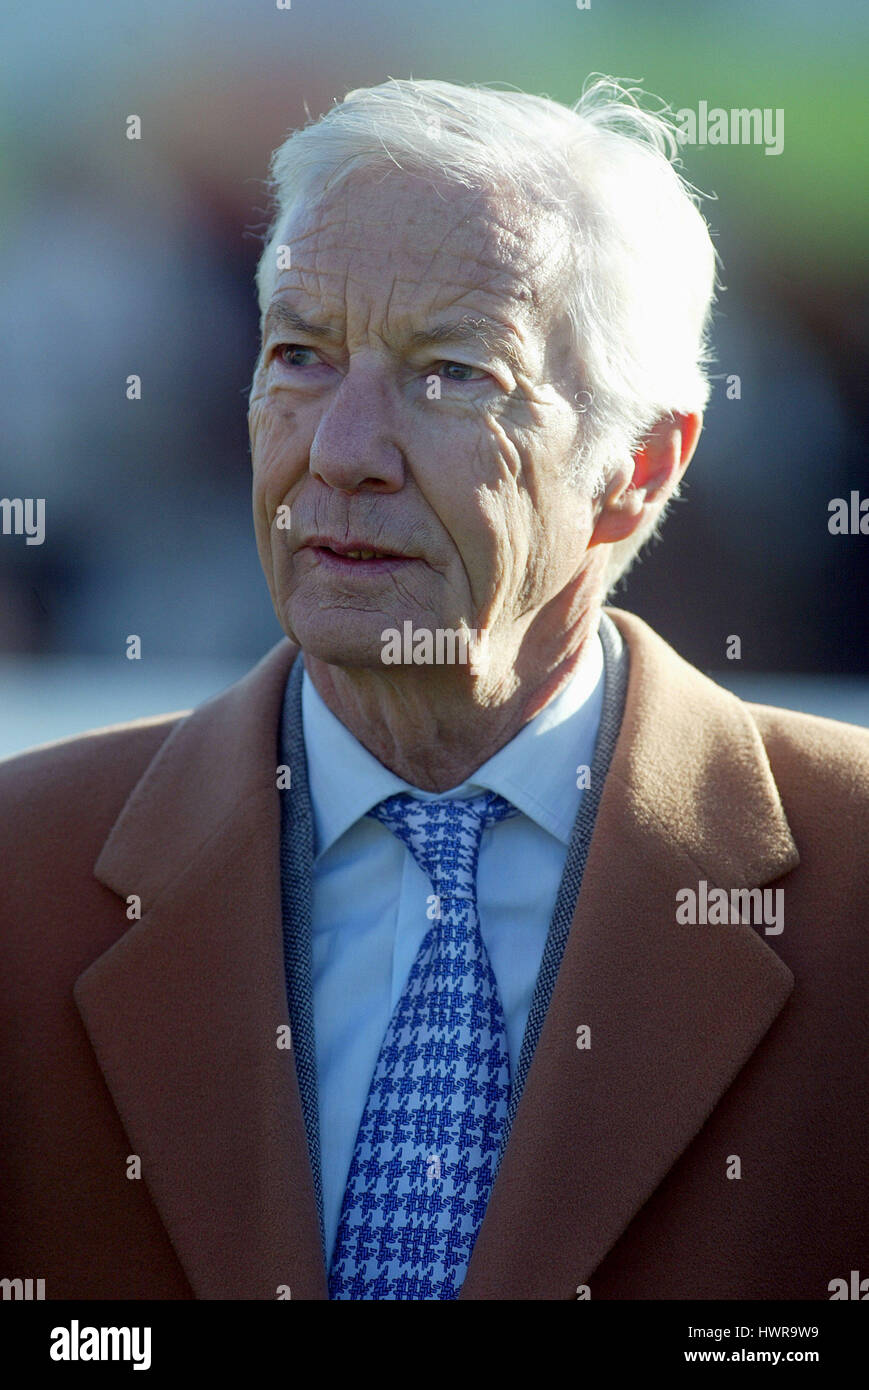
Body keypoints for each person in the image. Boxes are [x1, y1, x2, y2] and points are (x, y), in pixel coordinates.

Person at [1, 78, 866, 1302]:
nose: (341, 452)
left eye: (452, 374)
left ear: (636, 466)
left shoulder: (843, 882)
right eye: (299, 353)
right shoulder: (24, 875)